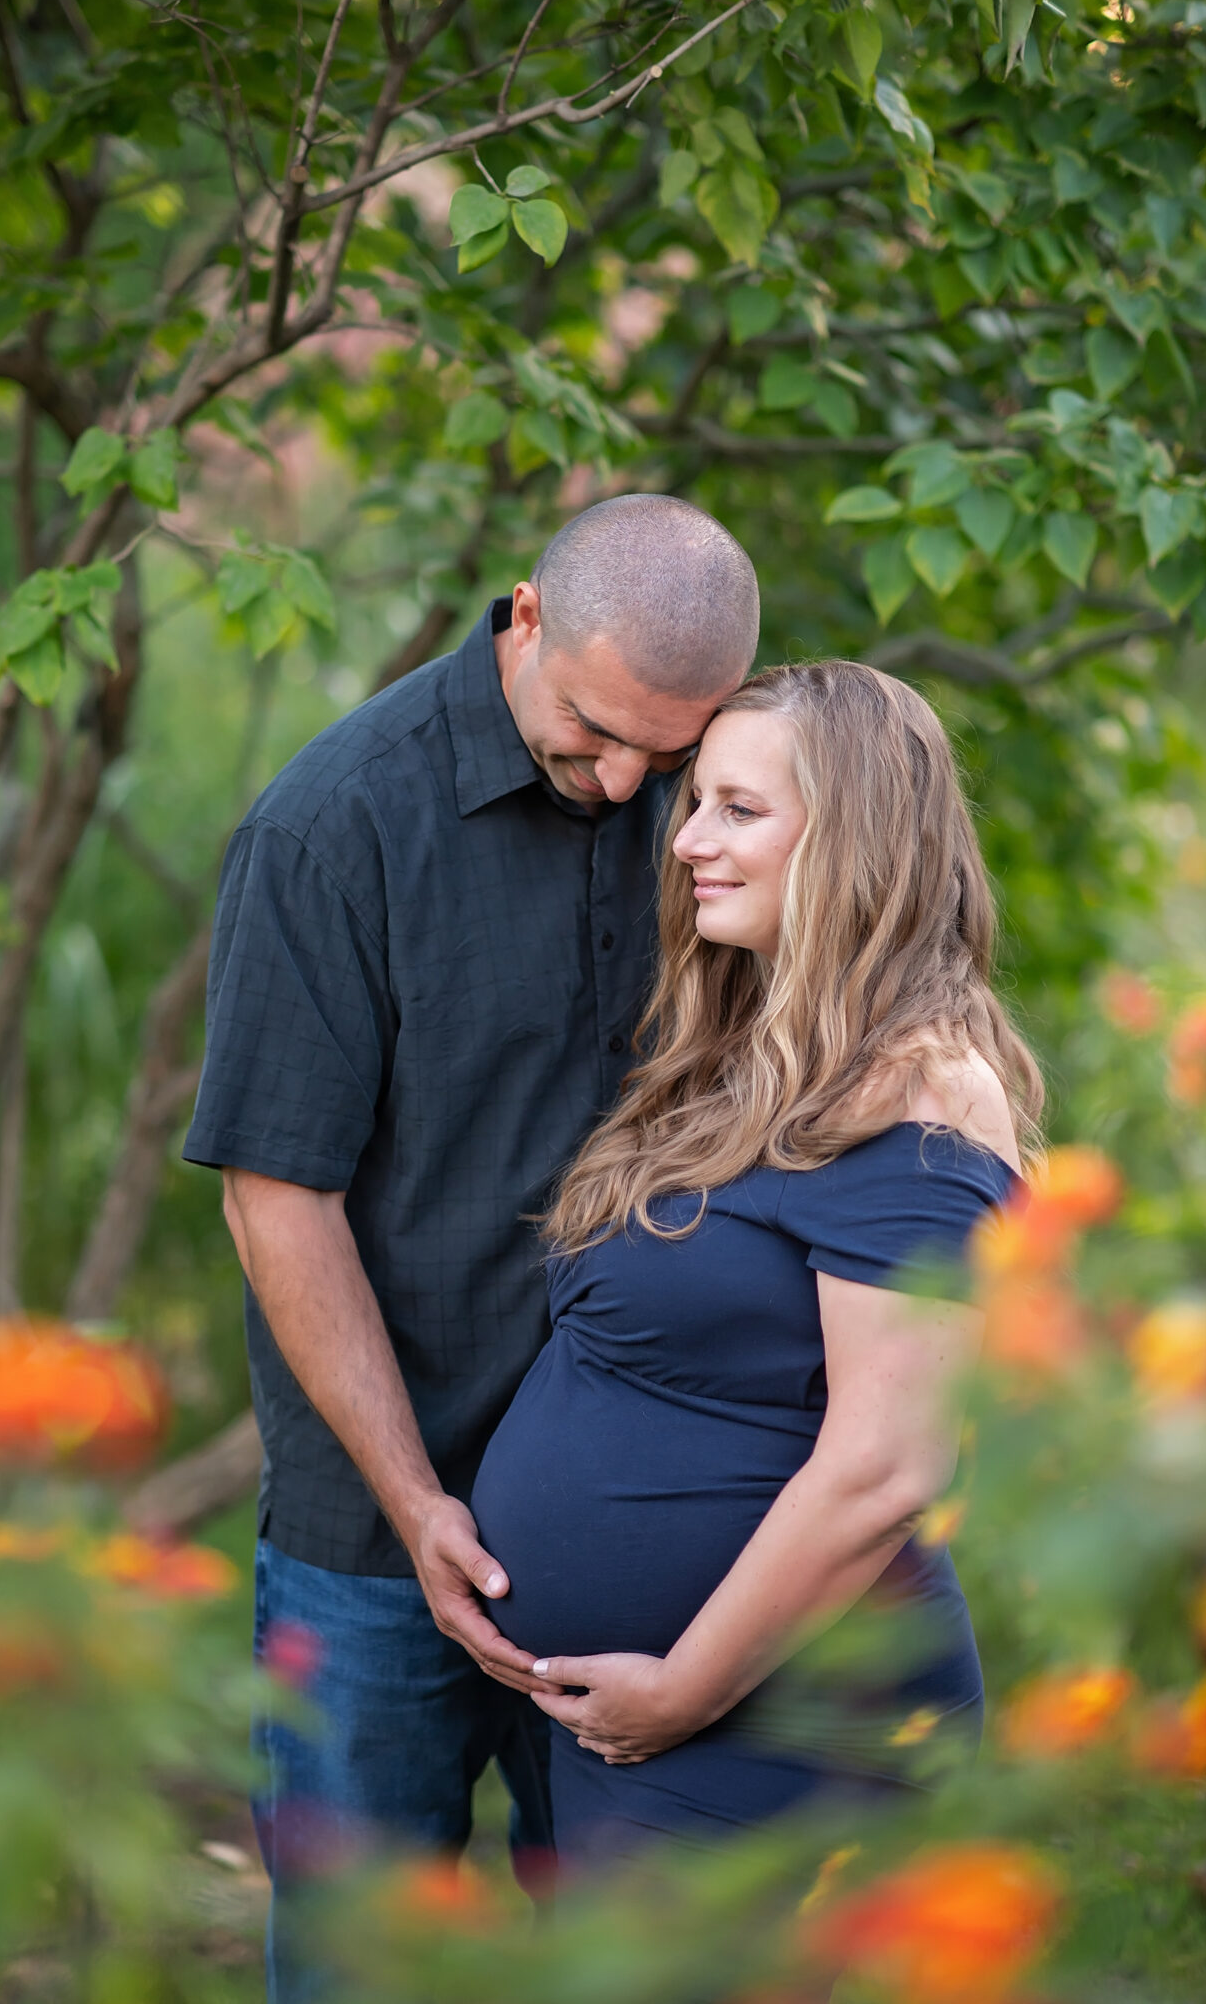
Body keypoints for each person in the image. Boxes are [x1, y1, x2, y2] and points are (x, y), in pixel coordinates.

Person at [181, 495, 759, 1989]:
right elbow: (276, 1198)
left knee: (650, 1966)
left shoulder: (721, 816)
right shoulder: (330, 830)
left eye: (671, 749)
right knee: (361, 1969)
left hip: (660, 1531)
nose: (629, 781)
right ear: (521, 617)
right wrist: (414, 1497)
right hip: (379, 1545)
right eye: (591, 731)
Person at [471, 659, 1042, 1864]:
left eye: (739, 809)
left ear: (852, 840)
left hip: (779, 1714)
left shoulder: (918, 1086)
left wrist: (685, 1686)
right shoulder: (745, 1054)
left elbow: (889, 1465)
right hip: (658, 1719)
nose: (686, 842)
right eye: (697, 804)